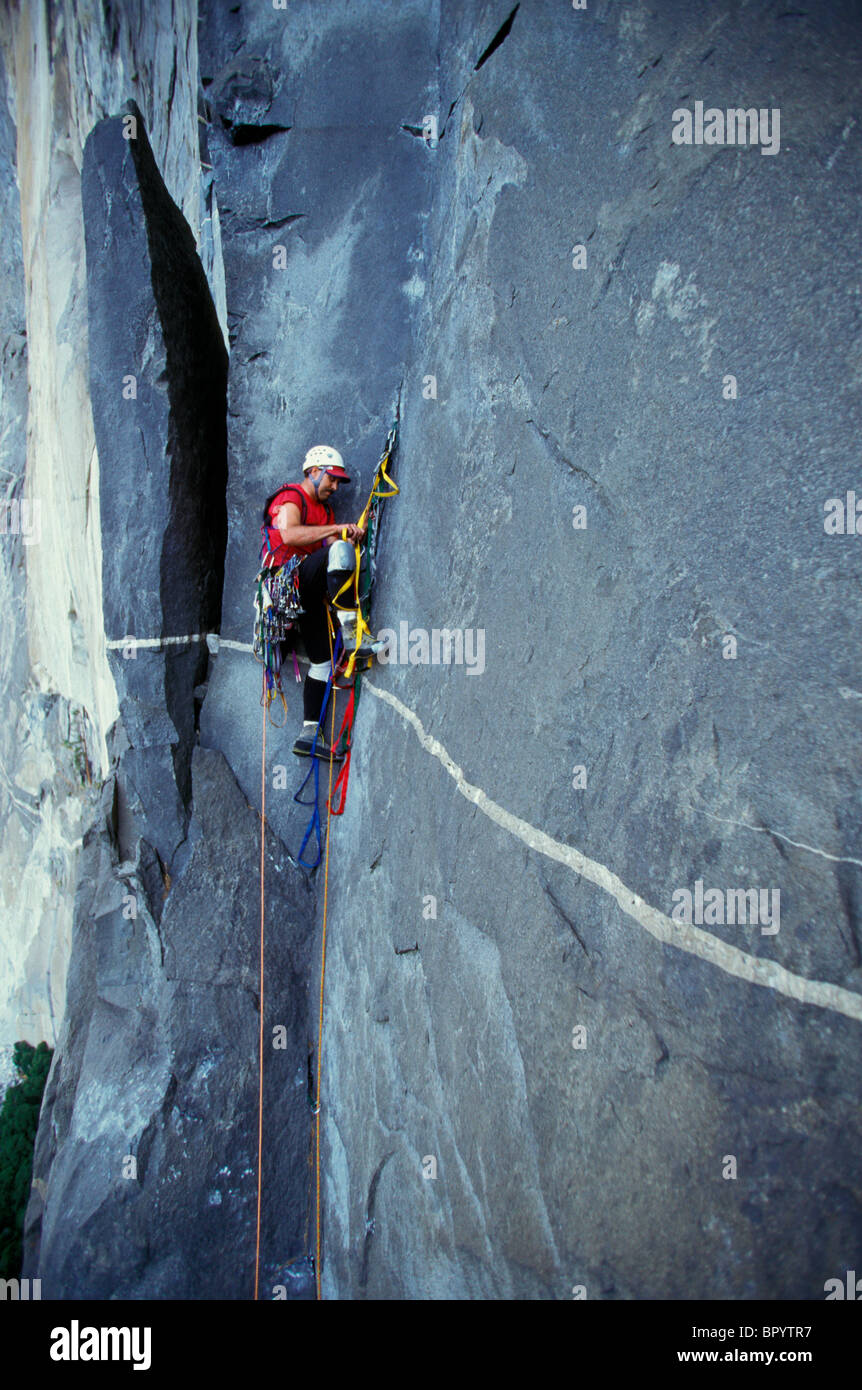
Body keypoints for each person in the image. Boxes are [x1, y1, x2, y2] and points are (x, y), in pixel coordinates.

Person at [262, 445, 374, 759]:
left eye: (339, 482)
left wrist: (346, 538)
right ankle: (353, 636)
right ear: (314, 472)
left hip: (306, 593)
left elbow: (329, 548)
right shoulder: (290, 498)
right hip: (286, 583)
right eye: (332, 480)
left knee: (322, 664)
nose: (335, 487)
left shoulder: (325, 512)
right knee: (338, 550)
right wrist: (338, 533)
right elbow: (288, 536)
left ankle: (309, 734)